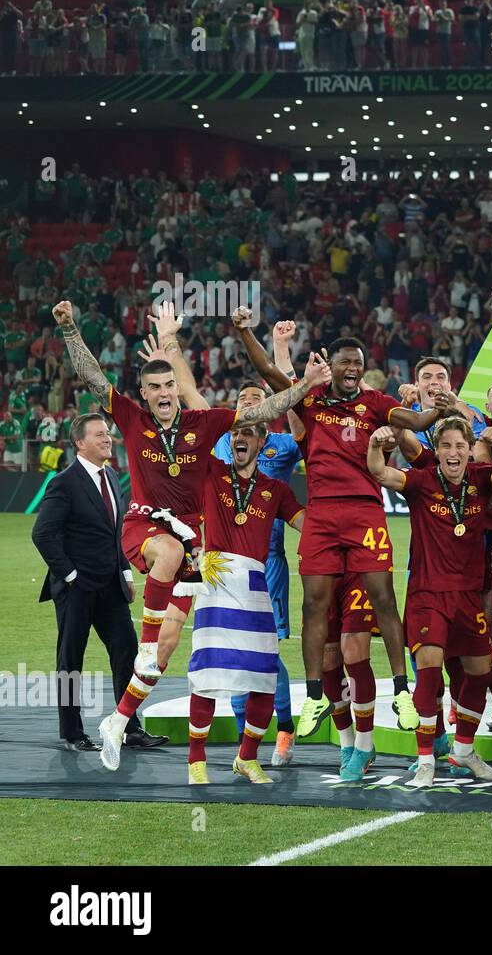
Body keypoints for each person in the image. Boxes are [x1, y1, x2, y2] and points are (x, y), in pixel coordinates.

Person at [52, 300, 316, 771]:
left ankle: (117, 720)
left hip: (195, 552)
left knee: (170, 646)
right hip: (146, 529)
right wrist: (71, 327)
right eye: (153, 387)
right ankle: (146, 646)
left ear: (177, 385)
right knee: (168, 558)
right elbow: (93, 378)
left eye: (169, 384)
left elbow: (268, 407)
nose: (164, 393)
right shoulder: (132, 420)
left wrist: (306, 386)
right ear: (144, 392)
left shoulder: (205, 424)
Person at [233, 307, 446, 743]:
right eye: (345, 362)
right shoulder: (310, 398)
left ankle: (402, 692)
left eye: (358, 365)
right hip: (323, 514)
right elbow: (266, 370)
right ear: (332, 368)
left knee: (383, 596)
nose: (352, 369)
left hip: (366, 511)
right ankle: (315, 695)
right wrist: (243, 331)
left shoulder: (377, 405)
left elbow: (420, 422)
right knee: (314, 603)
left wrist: (433, 409)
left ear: (363, 371)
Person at [156, 314, 304, 767]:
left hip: (267, 564)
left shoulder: (280, 447)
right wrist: (172, 346)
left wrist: (281, 356)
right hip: (219, 565)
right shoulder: (218, 452)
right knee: (220, 655)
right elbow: (193, 398)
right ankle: (242, 742)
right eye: (242, 405)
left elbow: (302, 417)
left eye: (256, 405)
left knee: (266, 652)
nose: (247, 410)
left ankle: (282, 730)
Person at [368, 416, 492, 786]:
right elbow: (381, 474)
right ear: (438, 449)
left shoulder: (480, 478)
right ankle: (426, 759)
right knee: (429, 675)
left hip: (468, 596)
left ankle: (463, 750)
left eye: (460, 446)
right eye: (446, 445)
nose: (453, 452)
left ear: (469, 450)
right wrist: (375, 445)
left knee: (481, 673)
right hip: (428, 594)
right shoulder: (422, 481)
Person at [32, 413, 164, 753]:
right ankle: (72, 732)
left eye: (108, 433)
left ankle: (129, 726)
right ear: (80, 442)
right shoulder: (63, 482)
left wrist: (125, 574)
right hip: (77, 589)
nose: (108, 438)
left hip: (110, 586)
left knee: (127, 654)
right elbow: (43, 534)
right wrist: (71, 575)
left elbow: (113, 534)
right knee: (70, 659)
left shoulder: (111, 477)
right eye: (100, 434)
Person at [185, 421, 307, 786]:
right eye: (235, 433)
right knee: (207, 676)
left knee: (263, 677)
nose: (241, 438)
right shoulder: (213, 472)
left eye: (249, 433)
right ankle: (196, 762)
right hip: (217, 577)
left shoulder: (275, 490)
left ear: (261, 442)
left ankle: (247, 758)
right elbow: (201, 426)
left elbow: (308, 523)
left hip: (256, 584)